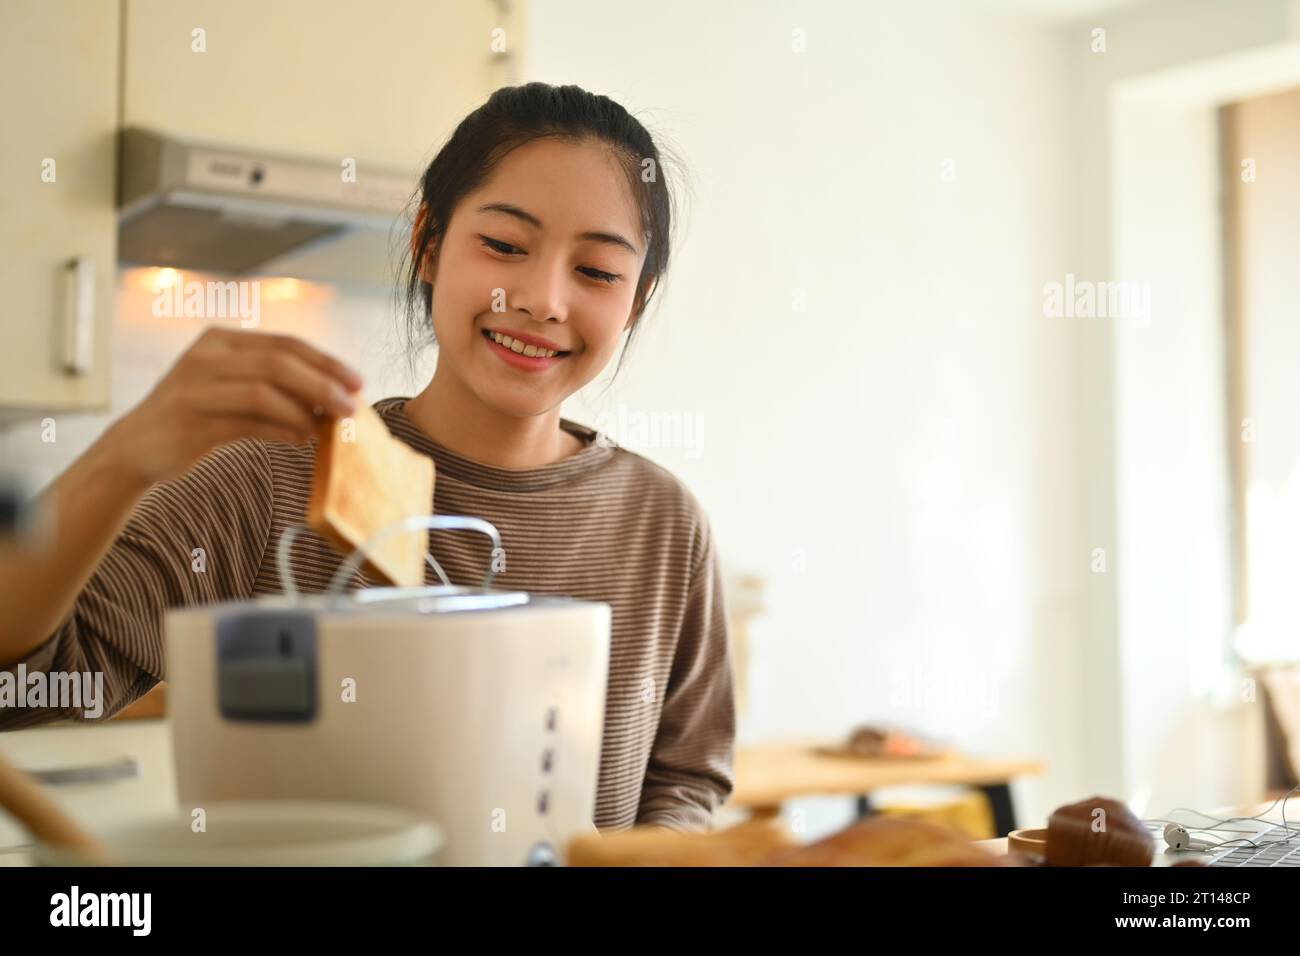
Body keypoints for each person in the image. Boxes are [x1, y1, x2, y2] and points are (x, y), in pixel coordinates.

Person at [0, 82, 735, 833]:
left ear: (635, 302)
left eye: (598, 272)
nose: (543, 299)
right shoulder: (268, 481)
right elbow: (27, 686)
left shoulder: (663, 524)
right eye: (505, 246)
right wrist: (126, 457)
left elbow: (684, 780)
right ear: (428, 244)